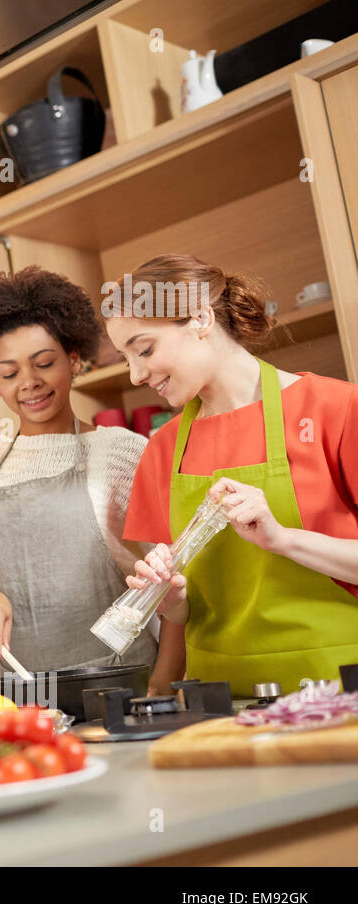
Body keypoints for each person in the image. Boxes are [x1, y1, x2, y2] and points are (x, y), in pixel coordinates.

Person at [106, 254, 358, 696]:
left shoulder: (337, 410)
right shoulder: (163, 450)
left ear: (201, 318)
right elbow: (181, 619)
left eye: (144, 350)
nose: (137, 374)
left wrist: (283, 539)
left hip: (338, 692)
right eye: (126, 358)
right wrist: (171, 602)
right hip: (219, 702)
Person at [0, 266, 178, 694]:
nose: (29, 383)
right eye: (9, 373)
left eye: (44, 363)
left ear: (74, 359)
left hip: (123, 686)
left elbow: (173, 582)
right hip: (23, 695)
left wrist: (162, 685)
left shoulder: (120, 451)